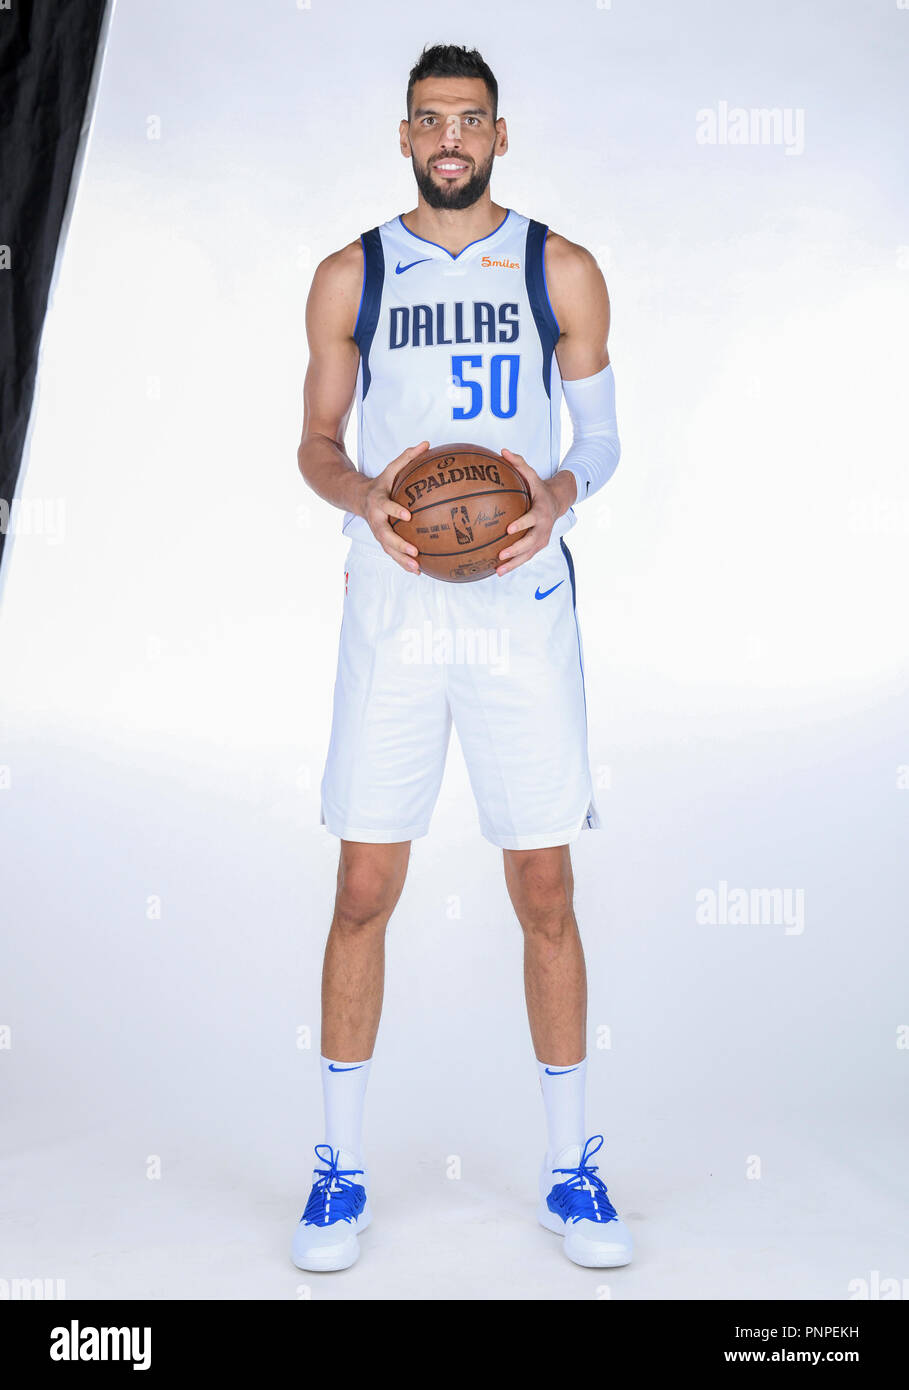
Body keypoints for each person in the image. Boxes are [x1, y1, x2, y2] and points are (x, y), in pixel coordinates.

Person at [292, 43, 630, 1273]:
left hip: (520, 609)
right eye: (429, 119)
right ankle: (337, 1170)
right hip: (394, 611)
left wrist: (556, 488)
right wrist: (362, 497)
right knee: (364, 887)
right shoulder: (352, 271)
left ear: (500, 133)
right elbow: (317, 443)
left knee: (544, 889)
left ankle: (572, 1170)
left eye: (470, 120)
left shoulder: (561, 266)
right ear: (403, 136)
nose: (450, 138)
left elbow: (597, 439)